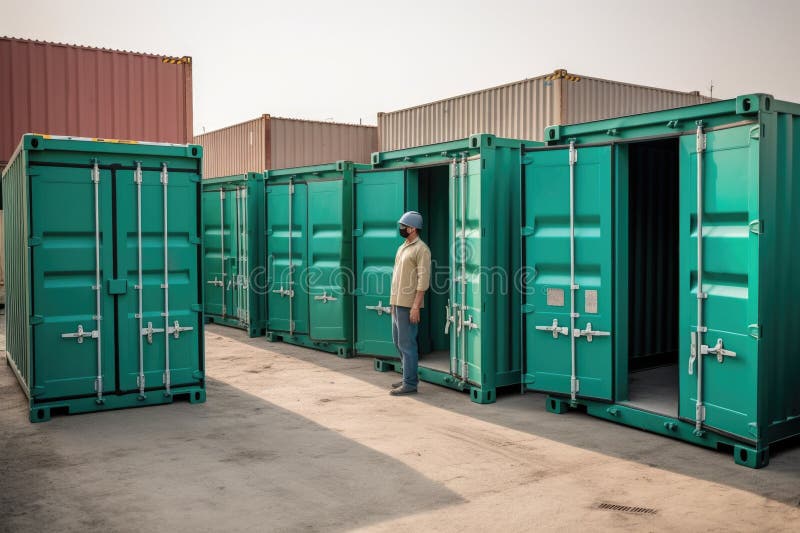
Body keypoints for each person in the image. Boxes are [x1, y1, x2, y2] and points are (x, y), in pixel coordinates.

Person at [389, 211, 431, 396]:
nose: (401, 229)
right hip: (397, 302)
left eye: (403, 226)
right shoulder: (403, 247)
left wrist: (416, 306)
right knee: (398, 342)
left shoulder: (421, 249)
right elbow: (397, 277)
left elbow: (423, 280)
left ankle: (410, 384)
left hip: (408, 304)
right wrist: (392, 303)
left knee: (407, 344)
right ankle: (408, 375)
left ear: (413, 228)